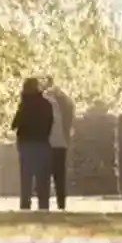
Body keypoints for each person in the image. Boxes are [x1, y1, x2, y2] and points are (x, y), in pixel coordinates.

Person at [11, 77, 55, 211]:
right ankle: (44, 203)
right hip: (42, 143)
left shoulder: (24, 105)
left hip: (26, 144)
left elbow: (14, 124)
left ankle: (25, 203)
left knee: (26, 176)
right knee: (43, 176)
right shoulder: (46, 104)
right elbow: (50, 123)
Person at [43, 77, 75, 210]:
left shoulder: (45, 99)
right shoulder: (64, 100)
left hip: (48, 142)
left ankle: (44, 203)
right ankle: (61, 203)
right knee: (59, 174)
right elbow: (70, 114)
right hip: (61, 142)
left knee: (45, 174)